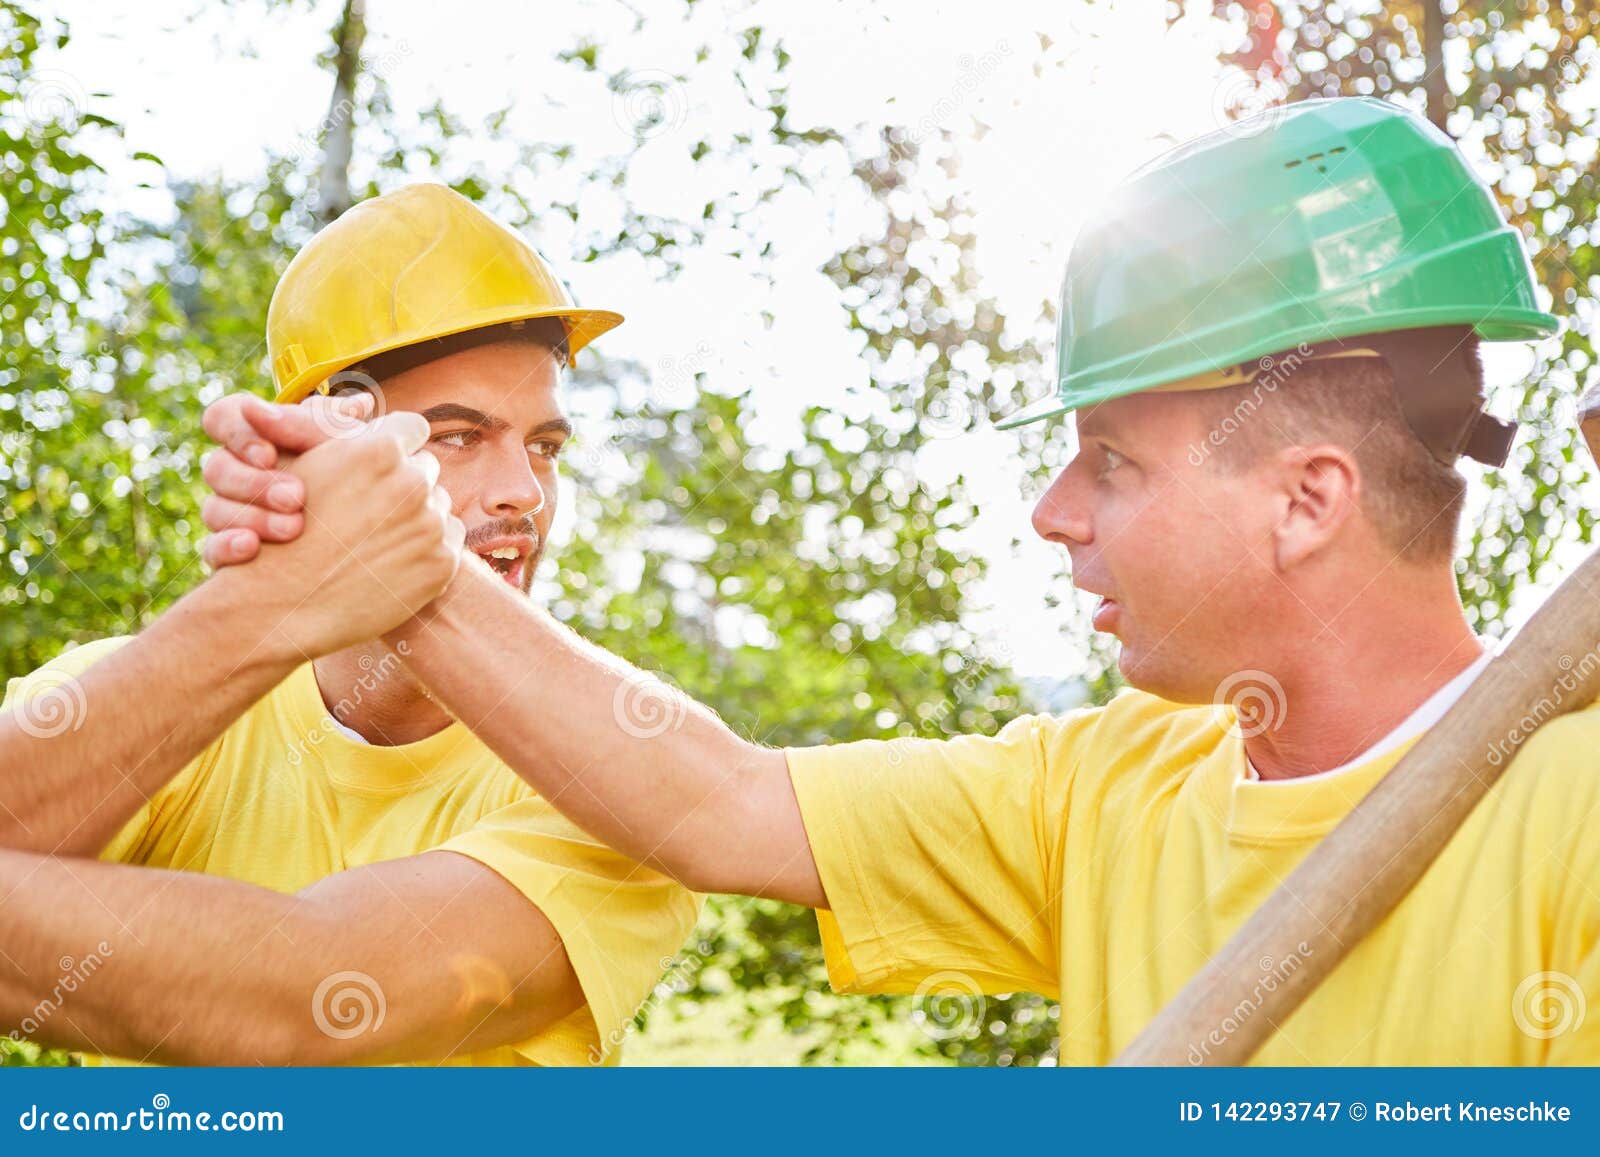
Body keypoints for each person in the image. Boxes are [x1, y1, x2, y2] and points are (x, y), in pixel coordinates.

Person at [204, 98, 1600, 1065]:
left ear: (1308, 498)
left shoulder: (1576, 825)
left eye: (1110, 462)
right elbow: (716, 798)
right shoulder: (1113, 785)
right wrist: (398, 564)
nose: (1054, 514)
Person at [0, 183, 698, 1066]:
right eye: (458, 436)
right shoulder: (143, 694)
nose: (524, 489)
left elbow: (313, 1006)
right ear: (322, 449)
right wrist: (269, 602)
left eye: (544, 446)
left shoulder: (628, 767)